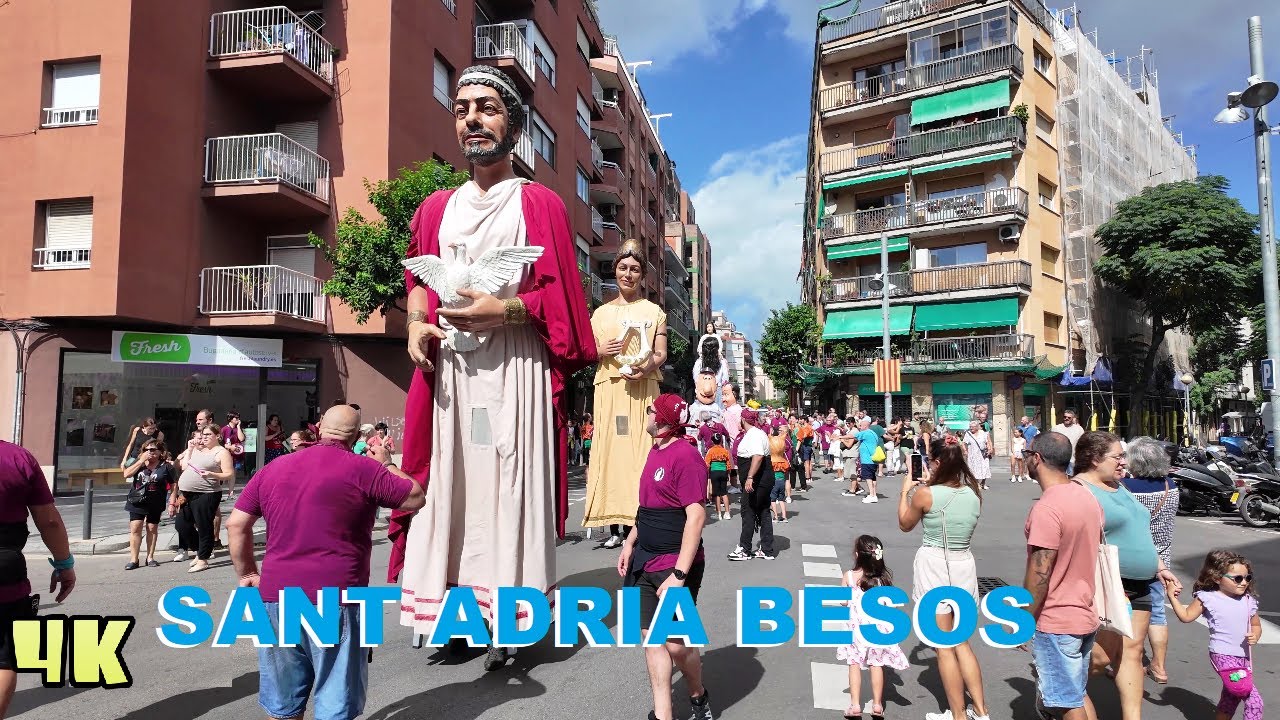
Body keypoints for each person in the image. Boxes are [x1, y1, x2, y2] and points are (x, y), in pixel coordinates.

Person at [390, 65, 597, 673]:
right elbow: (417, 284)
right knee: (449, 493)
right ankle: (457, 621)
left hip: (515, 370)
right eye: (461, 109)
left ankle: (507, 621)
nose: (472, 119)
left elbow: (563, 309)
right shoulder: (434, 208)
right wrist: (414, 325)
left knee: (508, 489)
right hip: (451, 375)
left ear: (513, 123)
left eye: (486, 107)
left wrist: (504, 308)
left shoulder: (542, 204)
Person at [226, 405, 426, 720]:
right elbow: (415, 496)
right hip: (338, 598)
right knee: (335, 701)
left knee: (283, 703)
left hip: (277, 597)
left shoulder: (274, 468)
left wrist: (249, 571)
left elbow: (236, 525)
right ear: (359, 436)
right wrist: (387, 463)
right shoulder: (365, 469)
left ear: (319, 428)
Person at [616, 394, 713, 720]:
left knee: (675, 645)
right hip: (645, 559)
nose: (646, 413)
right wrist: (630, 542)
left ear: (663, 420)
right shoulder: (655, 450)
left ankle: (698, 694)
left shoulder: (686, 456)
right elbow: (648, 509)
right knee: (650, 638)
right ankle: (664, 714)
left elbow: (696, 517)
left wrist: (679, 575)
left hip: (676, 564)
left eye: (650, 410)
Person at [1072, 431, 1180, 720]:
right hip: (1109, 585)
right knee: (1101, 658)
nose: (1124, 462)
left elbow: (1137, 530)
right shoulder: (1080, 490)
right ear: (1095, 459)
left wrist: (1160, 566)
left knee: (1131, 653)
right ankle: (1059, 691)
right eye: (1117, 456)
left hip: (1142, 583)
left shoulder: (1119, 487)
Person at [897, 437, 989, 720]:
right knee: (962, 641)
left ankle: (958, 715)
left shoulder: (926, 494)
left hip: (935, 564)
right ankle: (981, 711)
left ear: (936, 463)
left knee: (942, 646)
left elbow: (904, 524)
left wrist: (906, 492)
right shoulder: (974, 493)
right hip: (964, 564)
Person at [584, 240, 668, 549]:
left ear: (642, 275)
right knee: (611, 454)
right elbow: (586, 350)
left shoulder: (654, 312)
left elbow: (660, 353)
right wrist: (599, 350)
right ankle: (615, 526)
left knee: (641, 454)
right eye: (623, 268)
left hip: (642, 390)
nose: (628, 274)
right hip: (609, 388)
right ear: (614, 271)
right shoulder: (600, 314)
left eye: (634, 269)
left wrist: (644, 369)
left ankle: (641, 520)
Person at [1022, 431, 1104, 720]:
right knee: (1076, 695)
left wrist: (1024, 619)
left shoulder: (1047, 507)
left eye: (1025, 454)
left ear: (1037, 458)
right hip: (1084, 611)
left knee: (1064, 703)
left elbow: (1040, 570)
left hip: (1058, 619)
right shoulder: (1086, 497)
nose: (1025, 460)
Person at [0, 441, 75, 719]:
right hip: (4, 570)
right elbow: (49, 522)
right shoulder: (16, 457)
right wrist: (64, 564)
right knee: (4, 659)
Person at [1167, 551, 1263, 720]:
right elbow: (1186, 616)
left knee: (1230, 699)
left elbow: (1256, 625)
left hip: (1243, 658)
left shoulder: (1249, 601)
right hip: (1223, 655)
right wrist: (1172, 597)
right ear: (1218, 578)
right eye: (1237, 578)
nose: (1244, 583)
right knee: (1253, 701)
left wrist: (1255, 635)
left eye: (1247, 578)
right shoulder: (1208, 597)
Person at [1120, 437, 1180, 685]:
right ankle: (1159, 665)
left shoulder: (1126, 488)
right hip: (1162, 559)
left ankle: (1126, 662)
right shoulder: (1170, 485)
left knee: (1126, 613)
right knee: (1157, 614)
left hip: (1134, 558)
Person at [837, 535, 909, 720]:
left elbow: (843, 602)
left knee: (854, 664)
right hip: (877, 631)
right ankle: (877, 706)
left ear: (856, 555)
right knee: (876, 665)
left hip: (855, 631)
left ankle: (855, 706)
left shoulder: (849, 576)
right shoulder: (882, 579)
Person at [172, 424, 234, 572]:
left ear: (217, 436)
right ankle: (201, 550)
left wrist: (212, 474)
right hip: (187, 494)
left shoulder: (221, 452)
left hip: (207, 493)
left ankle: (203, 559)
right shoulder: (198, 450)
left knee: (204, 526)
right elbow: (184, 466)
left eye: (207, 435)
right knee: (181, 525)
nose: (204, 437)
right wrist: (190, 449)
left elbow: (229, 474)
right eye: (202, 435)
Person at [727, 408, 774, 561]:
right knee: (763, 511)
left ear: (744, 420)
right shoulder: (757, 433)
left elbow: (758, 456)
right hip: (764, 479)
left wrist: (749, 477)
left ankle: (744, 549)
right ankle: (766, 549)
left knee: (748, 511)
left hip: (758, 480)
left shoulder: (754, 435)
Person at [121, 439, 175, 570]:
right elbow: (126, 474)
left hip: (155, 501)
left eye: (152, 450)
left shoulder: (166, 466)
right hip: (137, 501)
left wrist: (172, 502)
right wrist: (140, 461)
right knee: (135, 527)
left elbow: (173, 484)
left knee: (152, 528)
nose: (149, 452)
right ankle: (134, 559)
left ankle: (150, 557)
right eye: (146, 450)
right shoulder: (138, 463)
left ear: (160, 452)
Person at [220, 411, 246, 499]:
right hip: (226, 453)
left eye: (238, 418)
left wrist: (238, 427)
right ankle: (220, 491)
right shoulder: (224, 429)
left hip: (236, 454)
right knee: (224, 472)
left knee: (233, 473)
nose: (238, 419)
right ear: (230, 419)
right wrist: (229, 447)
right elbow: (220, 443)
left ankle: (231, 492)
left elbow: (241, 439)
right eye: (236, 418)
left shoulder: (238, 429)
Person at [705, 434, 731, 521]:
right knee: (724, 492)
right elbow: (728, 464)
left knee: (716, 494)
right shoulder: (725, 451)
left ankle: (719, 513)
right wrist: (728, 473)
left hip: (714, 472)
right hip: (723, 472)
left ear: (712, 441)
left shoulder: (710, 451)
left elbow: (707, 463)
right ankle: (727, 513)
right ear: (720, 441)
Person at [963, 420, 993, 491]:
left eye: (972, 427)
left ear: (977, 427)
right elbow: (963, 443)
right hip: (972, 455)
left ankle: (983, 483)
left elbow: (988, 442)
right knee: (974, 469)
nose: (971, 428)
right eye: (970, 427)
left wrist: (990, 449)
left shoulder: (984, 433)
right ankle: (977, 484)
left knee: (984, 468)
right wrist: (965, 451)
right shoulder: (968, 434)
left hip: (983, 454)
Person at [768, 424, 790, 524]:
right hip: (782, 482)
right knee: (781, 499)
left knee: (773, 500)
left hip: (774, 482)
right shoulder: (783, 462)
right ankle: (784, 517)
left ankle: (776, 516)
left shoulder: (772, 462)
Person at [857, 418, 882, 503]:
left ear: (865, 426)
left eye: (860, 425)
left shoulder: (866, 433)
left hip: (867, 460)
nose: (859, 427)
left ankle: (871, 495)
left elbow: (853, 436)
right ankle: (874, 494)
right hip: (873, 460)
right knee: (872, 477)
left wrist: (840, 436)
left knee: (868, 478)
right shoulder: (873, 433)